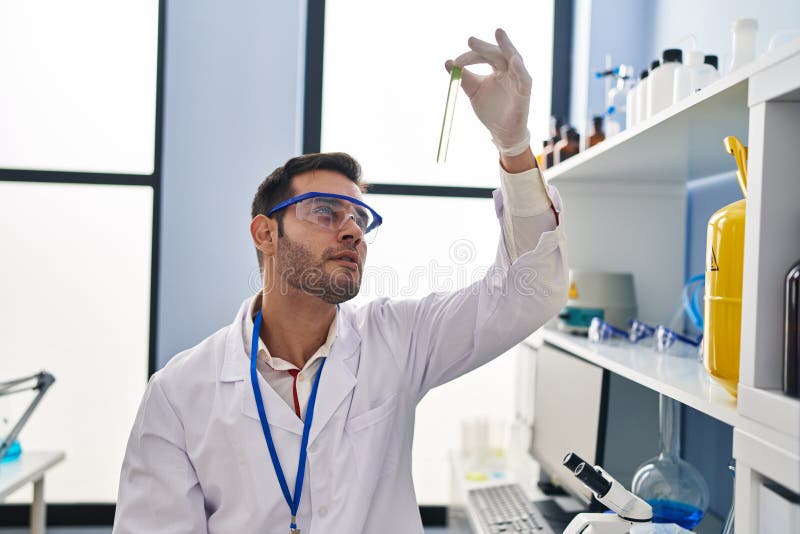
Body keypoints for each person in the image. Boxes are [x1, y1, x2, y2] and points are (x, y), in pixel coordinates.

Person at [113, 29, 568, 534]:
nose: (352, 230)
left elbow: (528, 293)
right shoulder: (179, 393)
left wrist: (514, 145)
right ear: (265, 233)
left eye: (359, 219)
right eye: (326, 212)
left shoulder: (397, 340)